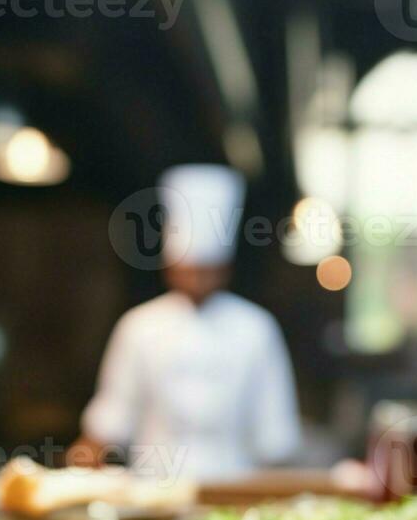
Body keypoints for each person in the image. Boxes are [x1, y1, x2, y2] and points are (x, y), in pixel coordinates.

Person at [75, 165, 301, 481]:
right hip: (151, 493)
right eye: (189, 267)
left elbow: (276, 438)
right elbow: (108, 423)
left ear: (225, 267)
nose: (197, 278)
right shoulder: (140, 327)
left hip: (232, 495)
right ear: (169, 265)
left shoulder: (256, 330)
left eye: (206, 268)